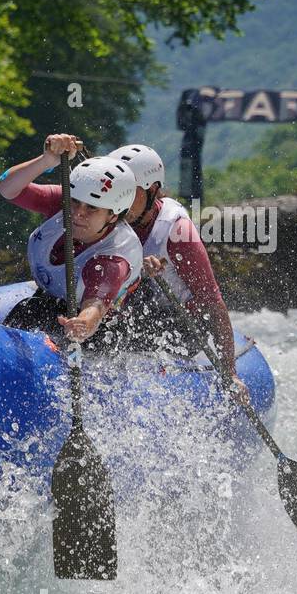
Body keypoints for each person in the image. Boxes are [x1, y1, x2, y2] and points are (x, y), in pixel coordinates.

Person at [106, 144, 249, 401]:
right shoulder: (107, 216)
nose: (119, 199)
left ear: (151, 191)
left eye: (128, 191)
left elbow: (212, 301)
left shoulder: (177, 231)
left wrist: (230, 371)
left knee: (144, 288)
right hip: (132, 313)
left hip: (178, 325)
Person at [0, 137, 141, 345]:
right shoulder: (62, 203)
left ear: (113, 216)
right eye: (75, 202)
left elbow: (95, 307)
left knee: (34, 311)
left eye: (92, 208)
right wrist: (46, 161)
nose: (78, 214)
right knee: (31, 309)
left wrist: (82, 325)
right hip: (45, 302)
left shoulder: (111, 260)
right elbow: (6, 188)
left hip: (99, 337)